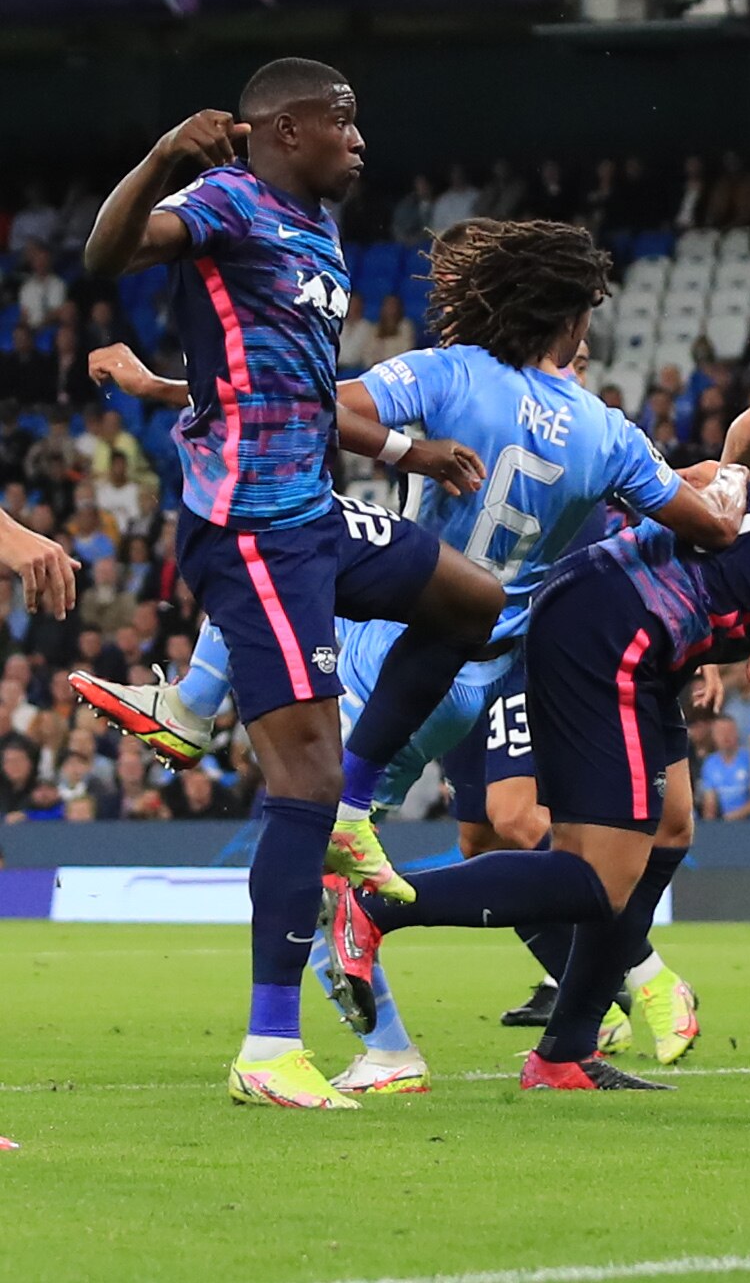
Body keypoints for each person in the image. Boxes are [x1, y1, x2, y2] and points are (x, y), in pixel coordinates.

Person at [79, 220, 750, 1091]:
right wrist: (731, 482)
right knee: (291, 573)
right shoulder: (608, 433)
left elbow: (301, 404)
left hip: (395, 644)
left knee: (276, 544)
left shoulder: (450, 373)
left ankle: (388, 1048)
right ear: (573, 324)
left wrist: (158, 385)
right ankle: (197, 713)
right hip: (467, 680)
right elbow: (710, 529)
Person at [324, 398, 750, 1092]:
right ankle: (377, 908)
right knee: (596, 878)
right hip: (616, 631)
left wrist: (731, 486)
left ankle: (566, 1052)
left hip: (631, 616)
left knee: (671, 830)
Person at [77, 62, 506, 1109]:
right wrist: (162, 159)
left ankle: (346, 793)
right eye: (342, 122)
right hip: (255, 531)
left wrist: (403, 450)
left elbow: (297, 389)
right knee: (300, 782)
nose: (360, 140)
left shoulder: (318, 229)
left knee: (473, 600)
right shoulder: (224, 201)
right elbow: (107, 254)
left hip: (315, 512)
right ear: (284, 129)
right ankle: (269, 1044)